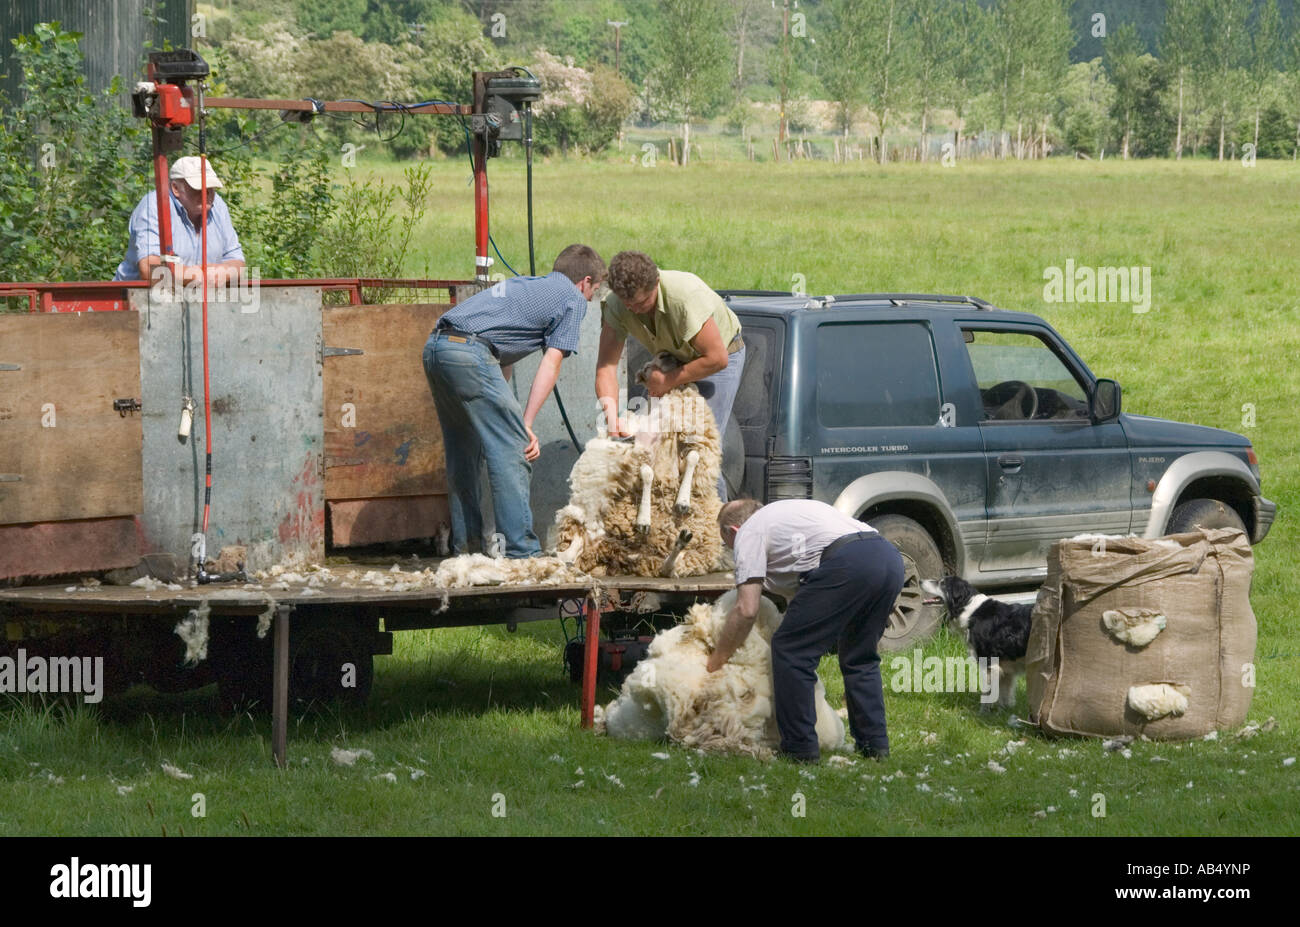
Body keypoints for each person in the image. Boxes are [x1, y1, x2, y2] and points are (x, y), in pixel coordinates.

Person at [423, 244, 605, 559]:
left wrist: (509, 419)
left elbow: (499, 358)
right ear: (585, 282)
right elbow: (551, 363)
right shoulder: (573, 299)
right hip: (470, 352)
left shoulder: (529, 287)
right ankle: (522, 552)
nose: (591, 299)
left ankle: (466, 551)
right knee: (513, 448)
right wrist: (525, 425)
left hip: (437, 348)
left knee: (463, 451)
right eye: (595, 291)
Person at [709, 498, 905, 763]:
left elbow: (746, 609)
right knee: (860, 657)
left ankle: (800, 750)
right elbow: (803, 600)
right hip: (887, 557)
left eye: (726, 545)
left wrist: (717, 660)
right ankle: (874, 746)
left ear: (732, 532)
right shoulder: (784, 518)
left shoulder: (748, 531)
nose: (731, 551)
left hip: (847, 562)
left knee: (790, 650)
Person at [595, 251, 744, 499]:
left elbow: (717, 358)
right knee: (649, 443)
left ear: (656, 283)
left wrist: (667, 381)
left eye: (641, 304)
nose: (633, 310)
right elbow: (606, 367)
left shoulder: (684, 297)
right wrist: (612, 419)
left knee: (698, 449)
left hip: (717, 357)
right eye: (628, 304)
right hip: (671, 355)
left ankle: (716, 531)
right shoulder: (617, 303)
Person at [113, 156, 245, 285]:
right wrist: (198, 275)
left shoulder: (218, 206)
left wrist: (223, 272)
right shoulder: (154, 205)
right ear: (175, 188)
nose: (206, 194)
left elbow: (237, 261)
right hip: (134, 299)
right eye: (198, 189)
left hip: (191, 299)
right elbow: (149, 269)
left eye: (210, 188)